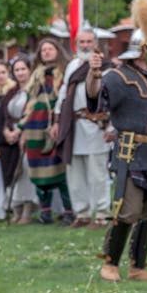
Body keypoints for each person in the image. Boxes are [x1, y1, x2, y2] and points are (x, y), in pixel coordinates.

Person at [87, 0, 147, 281]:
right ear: (143, 49)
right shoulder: (118, 76)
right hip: (131, 152)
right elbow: (96, 101)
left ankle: (137, 267)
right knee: (127, 210)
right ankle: (110, 263)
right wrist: (93, 74)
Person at [55, 28, 112, 228]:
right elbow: (64, 93)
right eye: (82, 42)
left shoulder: (106, 67)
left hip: (97, 125)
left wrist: (111, 127)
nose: (85, 45)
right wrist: (57, 121)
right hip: (74, 125)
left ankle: (102, 214)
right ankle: (82, 213)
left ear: (95, 43)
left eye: (89, 41)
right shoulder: (72, 66)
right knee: (75, 171)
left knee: (97, 173)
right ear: (76, 44)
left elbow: (112, 98)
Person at [14, 38, 73, 226]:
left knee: (60, 170)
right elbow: (29, 103)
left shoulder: (64, 72)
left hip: (54, 126)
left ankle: (69, 212)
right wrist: (22, 130)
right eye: (43, 50)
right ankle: (45, 213)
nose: (47, 52)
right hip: (34, 127)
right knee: (38, 173)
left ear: (58, 51)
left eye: (50, 49)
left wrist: (59, 122)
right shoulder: (36, 75)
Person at [0, 57, 38, 224]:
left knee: (27, 173)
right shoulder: (12, 92)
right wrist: (7, 131)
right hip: (12, 138)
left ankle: (27, 212)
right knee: (14, 172)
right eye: (17, 70)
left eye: (23, 69)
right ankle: (16, 210)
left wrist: (24, 133)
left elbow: (33, 113)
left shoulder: (34, 91)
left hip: (29, 134)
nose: (20, 73)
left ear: (30, 70)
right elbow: (5, 114)